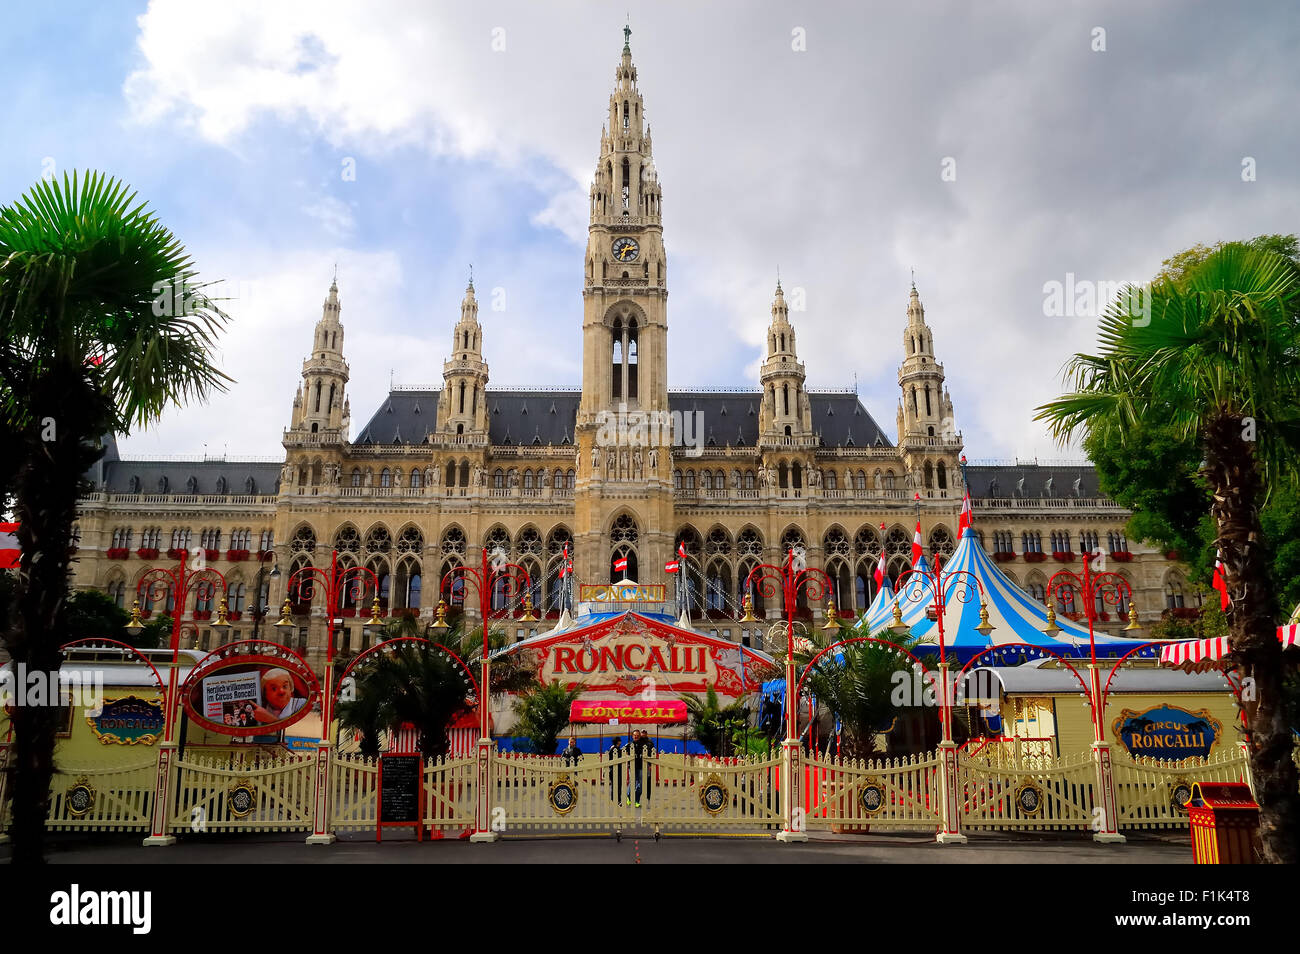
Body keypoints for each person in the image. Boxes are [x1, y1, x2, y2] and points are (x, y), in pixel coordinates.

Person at [607, 736, 622, 802]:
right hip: (616, 769)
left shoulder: (612, 748)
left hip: (612, 769)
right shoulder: (616, 749)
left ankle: (613, 798)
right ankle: (618, 799)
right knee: (618, 785)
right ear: (618, 742)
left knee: (614, 785)